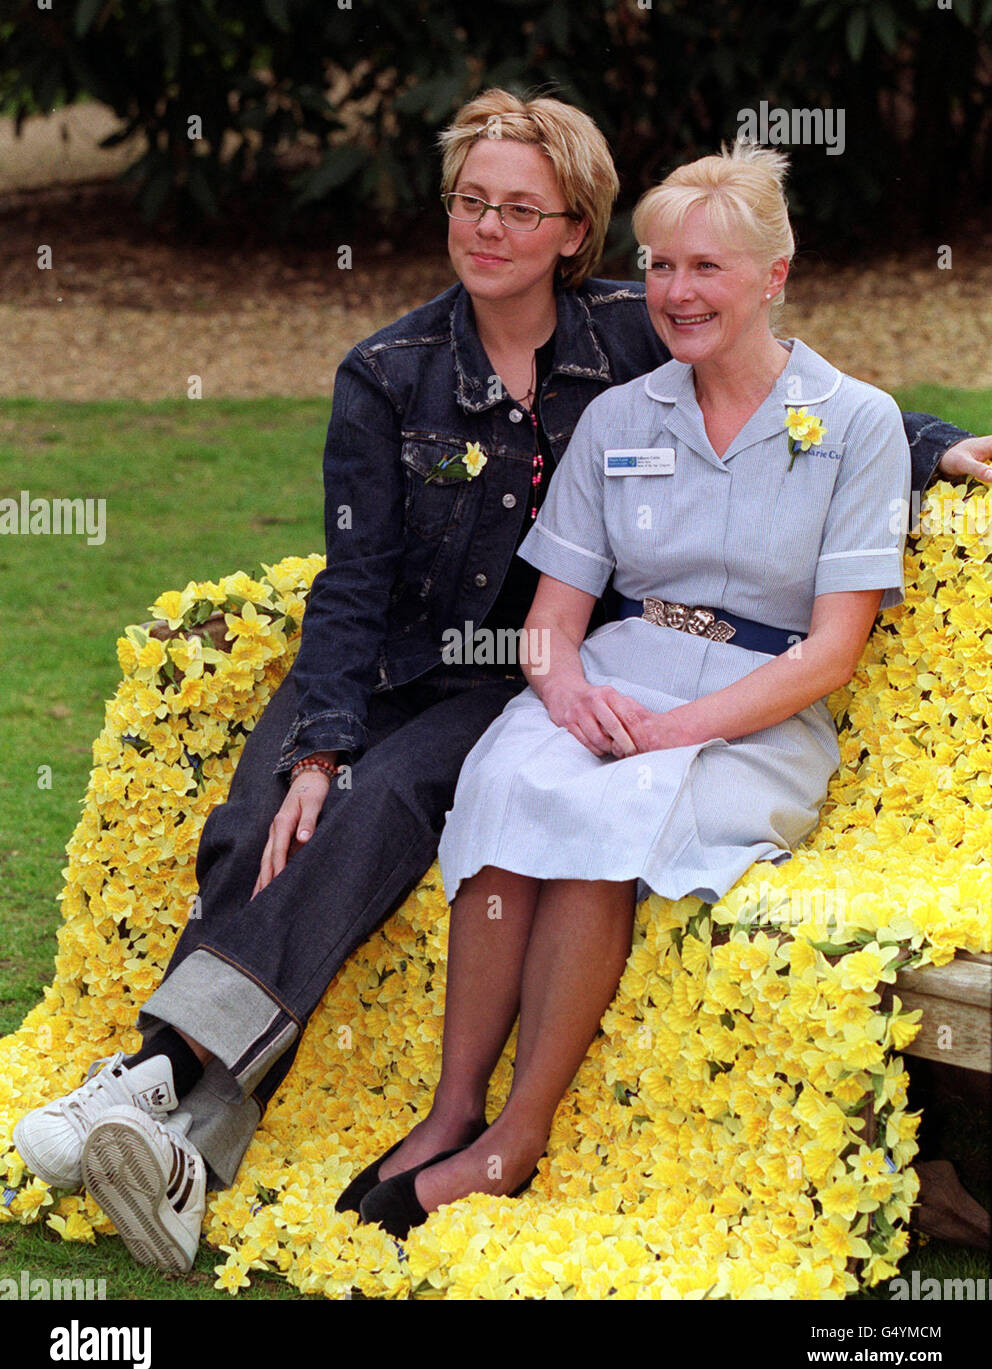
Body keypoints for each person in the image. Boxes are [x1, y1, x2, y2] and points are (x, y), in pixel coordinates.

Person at [12, 90, 990, 1273]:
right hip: (407, 656)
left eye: (519, 209)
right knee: (263, 816)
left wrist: (932, 442)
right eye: (470, 202)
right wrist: (320, 740)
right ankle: (174, 1104)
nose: (486, 228)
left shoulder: (630, 328)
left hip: (509, 676)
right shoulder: (389, 371)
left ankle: (172, 1097)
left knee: (400, 802)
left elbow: (781, 376)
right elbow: (354, 579)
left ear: (572, 231)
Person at [350, 140, 929, 1240]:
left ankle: (515, 1136)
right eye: (658, 267)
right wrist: (566, 702)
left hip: (751, 715)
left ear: (773, 275)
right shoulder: (621, 417)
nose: (674, 292)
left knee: (606, 815)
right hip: (615, 681)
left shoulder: (851, 424)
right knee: (512, 776)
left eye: (705, 268)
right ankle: (448, 1108)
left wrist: (673, 730)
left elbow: (829, 654)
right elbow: (551, 620)